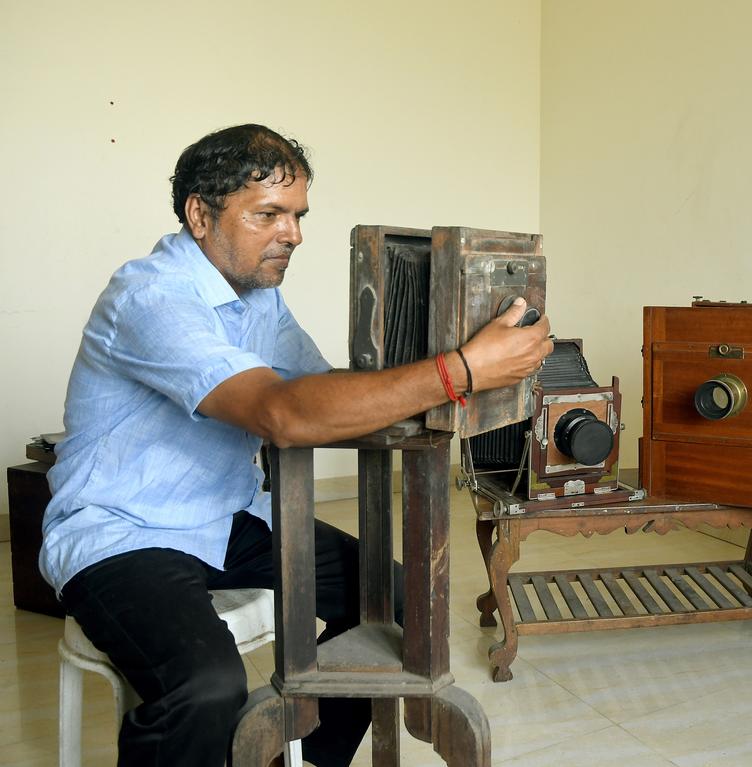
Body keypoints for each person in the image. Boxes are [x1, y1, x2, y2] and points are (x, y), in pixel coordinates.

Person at [39, 123, 552, 767]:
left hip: (228, 519)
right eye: (269, 214)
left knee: (399, 603)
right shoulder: (151, 296)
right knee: (204, 688)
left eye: (299, 215)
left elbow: (324, 392)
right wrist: (460, 371)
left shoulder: (259, 297)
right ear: (200, 215)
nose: (294, 234)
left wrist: (458, 362)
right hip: (122, 532)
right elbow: (281, 413)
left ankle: (301, 759)